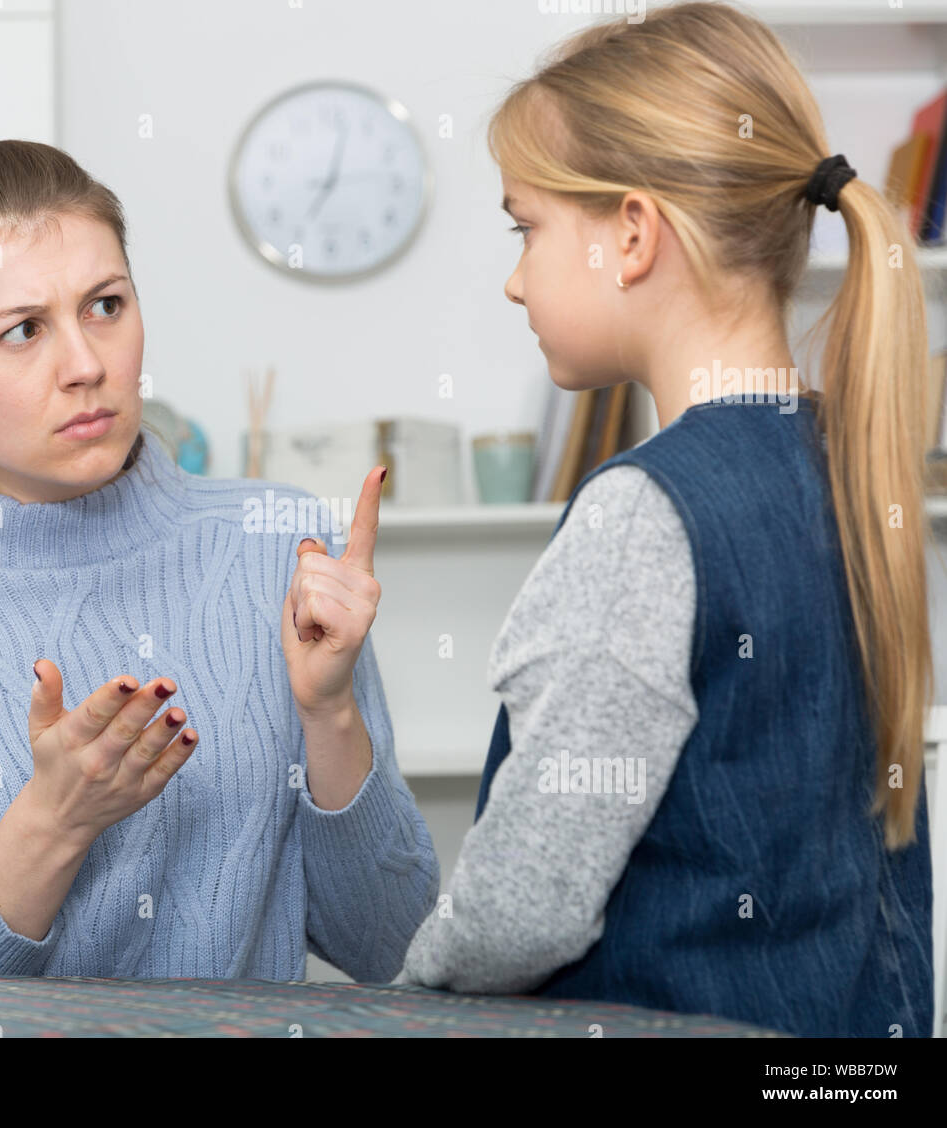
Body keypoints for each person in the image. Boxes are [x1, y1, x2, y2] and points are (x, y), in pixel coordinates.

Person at [0, 137, 439, 981]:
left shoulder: (284, 543)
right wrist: (53, 822)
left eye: (105, 306)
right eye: (22, 331)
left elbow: (394, 945)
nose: (87, 365)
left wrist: (329, 713)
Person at [400, 0, 935, 1038]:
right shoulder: (843, 462)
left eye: (527, 228)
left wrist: (409, 990)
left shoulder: (642, 515)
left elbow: (521, 907)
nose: (515, 281)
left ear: (633, 234)